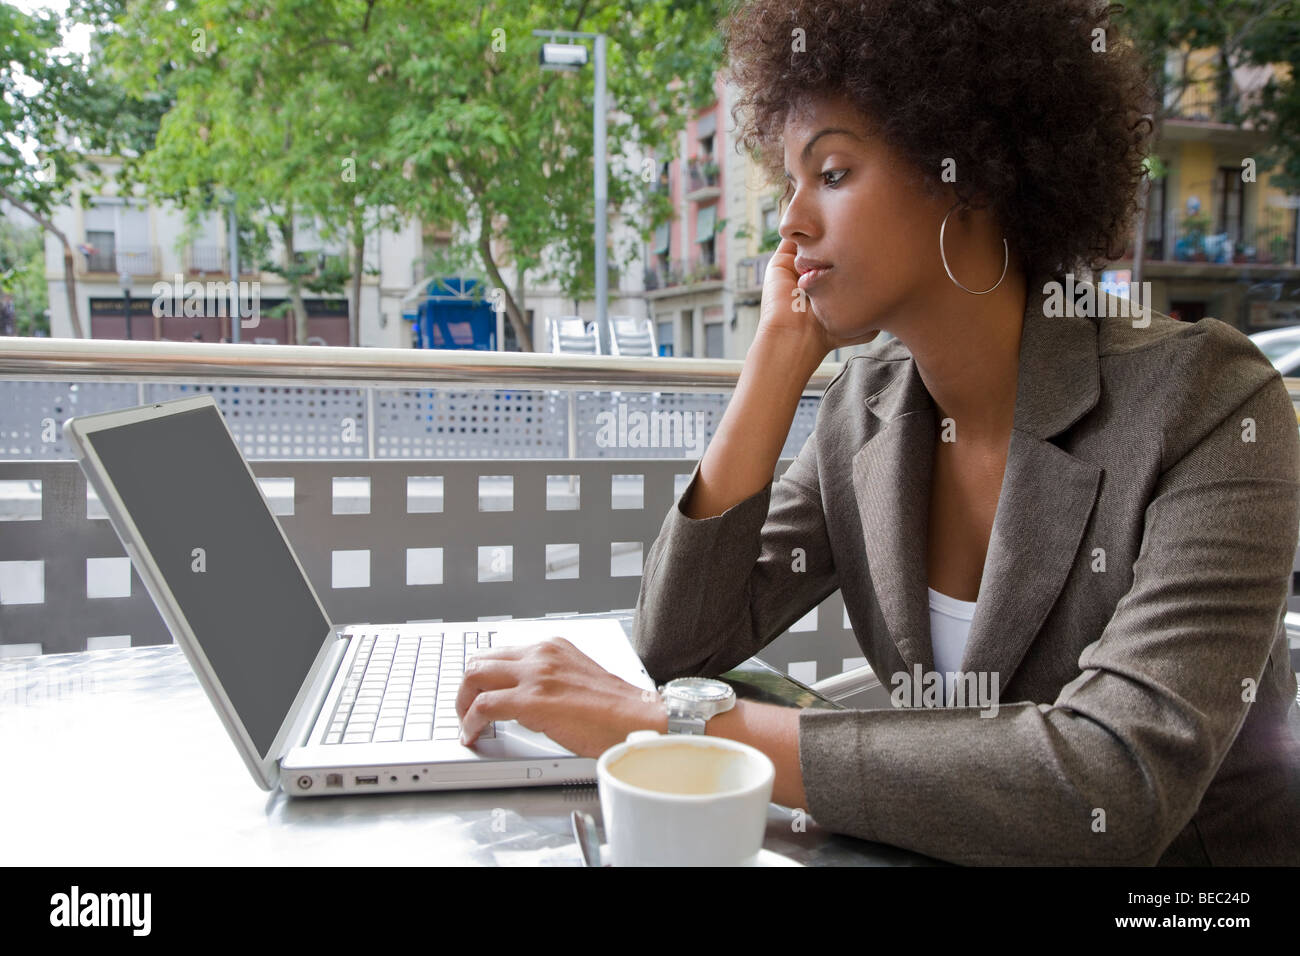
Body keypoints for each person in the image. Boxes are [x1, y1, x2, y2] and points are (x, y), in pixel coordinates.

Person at [453, 0, 1300, 865]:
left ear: (964, 173)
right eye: (788, 183)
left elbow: (1111, 783)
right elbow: (683, 641)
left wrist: (661, 725)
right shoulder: (870, 409)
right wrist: (777, 363)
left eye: (831, 173)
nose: (790, 222)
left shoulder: (1210, 402)